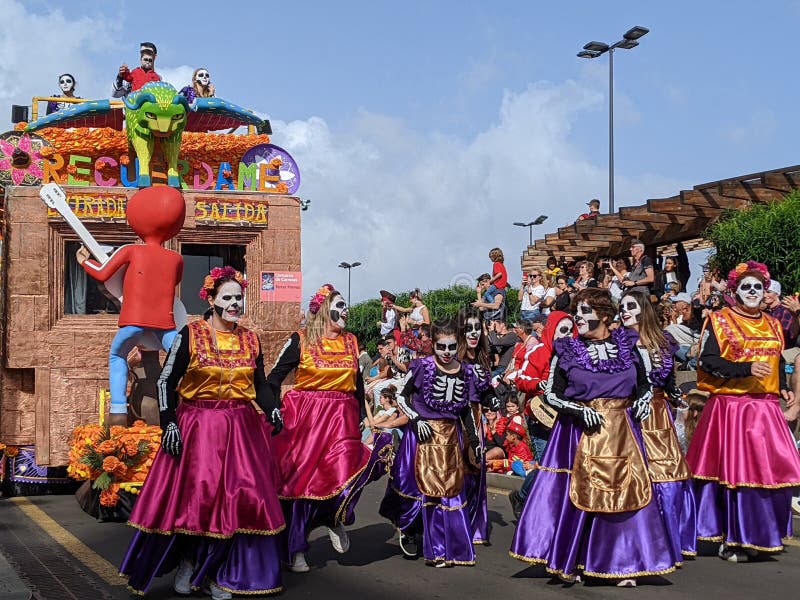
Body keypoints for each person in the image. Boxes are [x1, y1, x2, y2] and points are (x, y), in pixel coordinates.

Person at [119, 267, 285, 599]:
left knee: (240, 500)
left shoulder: (250, 338)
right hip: (199, 427)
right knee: (202, 500)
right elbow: (166, 381)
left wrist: (272, 408)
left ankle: (215, 572)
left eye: (239, 297)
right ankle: (188, 562)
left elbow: (260, 384)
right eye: (228, 297)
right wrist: (168, 423)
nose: (235, 303)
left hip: (241, 430)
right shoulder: (190, 334)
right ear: (211, 299)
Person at [510, 288, 681, 587]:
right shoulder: (567, 349)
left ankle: (623, 562)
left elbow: (643, 385)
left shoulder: (629, 346)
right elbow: (553, 393)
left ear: (604, 315)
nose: (578, 317)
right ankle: (574, 558)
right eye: (577, 311)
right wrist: (577, 410)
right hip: (578, 432)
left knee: (624, 492)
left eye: (585, 311)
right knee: (579, 496)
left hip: (621, 431)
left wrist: (641, 401)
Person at [266, 284, 392, 573]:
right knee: (305, 487)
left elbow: (358, 383)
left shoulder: (351, 341)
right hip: (305, 423)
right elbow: (274, 378)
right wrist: (274, 411)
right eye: (339, 305)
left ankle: (335, 516)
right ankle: (296, 549)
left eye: (345, 305)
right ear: (323, 310)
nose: (345, 310)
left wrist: (364, 414)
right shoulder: (300, 339)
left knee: (351, 470)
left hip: (342, 420)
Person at [686, 261, 800, 563]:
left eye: (757, 287)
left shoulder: (774, 323)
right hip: (731, 408)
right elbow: (708, 361)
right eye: (746, 287)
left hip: (765, 408)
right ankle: (731, 537)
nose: (752, 292)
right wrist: (745, 368)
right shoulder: (719, 320)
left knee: (769, 475)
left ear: (765, 292)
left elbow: (774, 359)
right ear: (735, 291)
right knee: (733, 476)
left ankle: (762, 534)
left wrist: (782, 386)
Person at [76, 186, 185, 422]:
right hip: (165, 325)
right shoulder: (176, 258)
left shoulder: (130, 250)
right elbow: (175, 282)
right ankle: (188, 406)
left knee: (117, 356)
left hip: (132, 322)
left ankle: (117, 412)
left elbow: (103, 273)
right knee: (183, 359)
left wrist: (84, 262)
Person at [379, 318, 482, 567]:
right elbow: (402, 398)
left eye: (450, 347)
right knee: (413, 486)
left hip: (449, 436)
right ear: (433, 345)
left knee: (449, 489)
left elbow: (466, 409)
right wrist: (416, 419)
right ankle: (410, 529)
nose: (446, 353)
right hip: (421, 435)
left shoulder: (465, 371)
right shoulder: (422, 366)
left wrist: (475, 440)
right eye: (441, 347)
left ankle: (445, 543)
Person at [619, 291, 697, 558]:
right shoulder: (618, 342)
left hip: (659, 415)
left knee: (669, 476)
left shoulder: (664, 341)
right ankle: (638, 538)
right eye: (621, 307)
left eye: (630, 306)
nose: (624, 311)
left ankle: (669, 536)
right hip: (629, 414)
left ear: (643, 309)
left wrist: (678, 398)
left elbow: (669, 382)